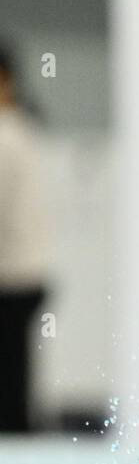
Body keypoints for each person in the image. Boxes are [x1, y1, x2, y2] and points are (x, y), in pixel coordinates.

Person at [0, 42, 51, 433]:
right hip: (27, 273)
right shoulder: (24, 128)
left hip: (12, 277)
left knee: (12, 387)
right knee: (17, 379)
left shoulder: (8, 134)